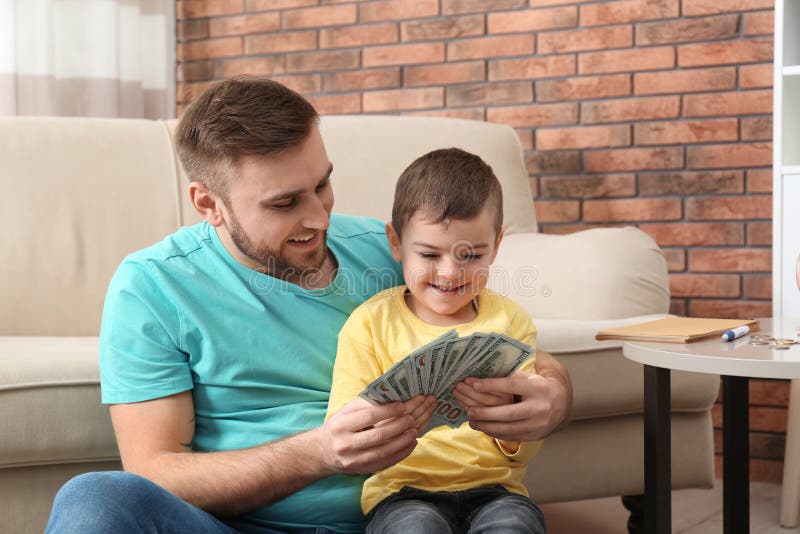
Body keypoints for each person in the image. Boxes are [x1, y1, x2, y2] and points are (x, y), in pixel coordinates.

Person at [45, 77, 572, 533]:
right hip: (234, 528)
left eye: (322, 184)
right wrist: (319, 453)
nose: (319, 217)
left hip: (395, 520)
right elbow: (154, 471)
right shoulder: (154, 286)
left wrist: (553, 393)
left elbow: (505, 337)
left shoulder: (391, 253)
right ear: (209, 204)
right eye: (284, 203)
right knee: (95, 497)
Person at [327, 148, 548, 533]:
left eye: (471, 255)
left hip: (497, 491)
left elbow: (526, 438)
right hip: (401, 492)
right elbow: (343, 431)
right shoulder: (370, 325)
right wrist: (385, 429)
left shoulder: (511, 322)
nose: (450, 272)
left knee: (514, 526)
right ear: (395, 243)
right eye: (429, 254)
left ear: (496, 245)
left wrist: (507, 423)